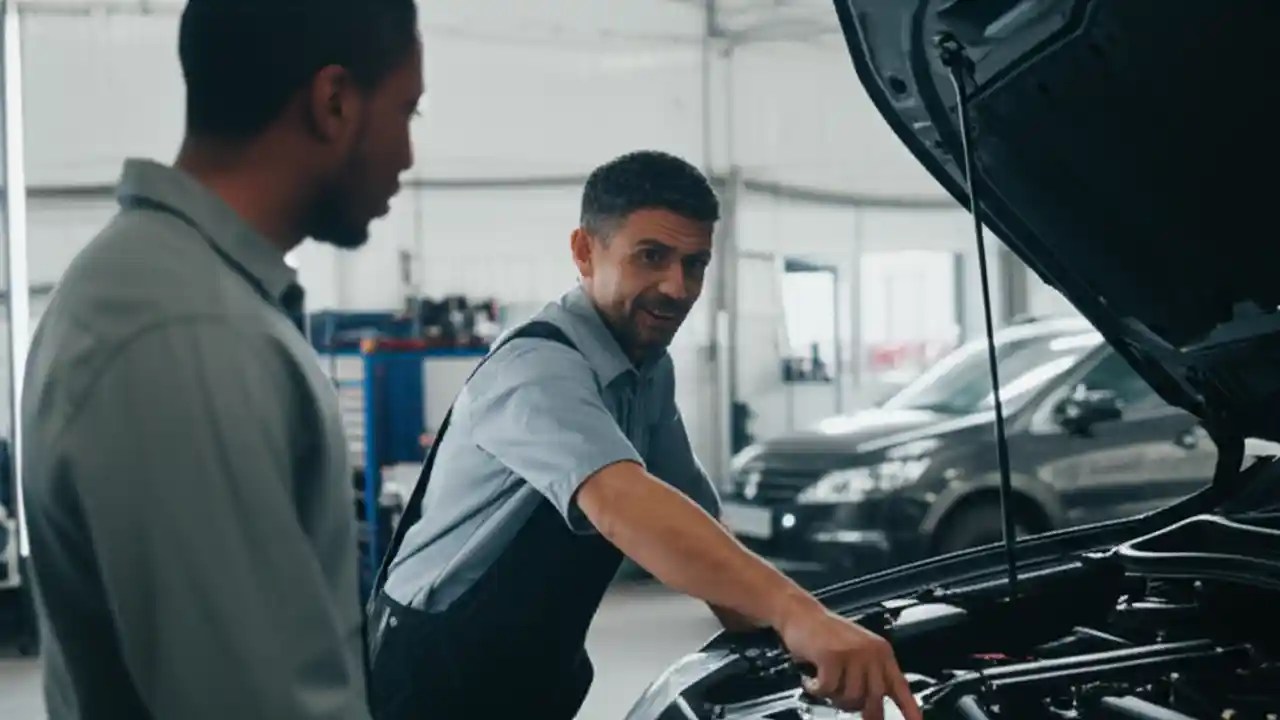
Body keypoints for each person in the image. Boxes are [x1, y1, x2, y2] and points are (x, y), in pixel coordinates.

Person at [367, 150, 922, 720]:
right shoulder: (537, 368)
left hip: (528, 666)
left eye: (695, 264)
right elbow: (622, 504)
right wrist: (794, 613)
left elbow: (693, 522)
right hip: (433, 676)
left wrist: (801, 643)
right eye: (651, 257)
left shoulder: (646, 371)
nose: (676, 287)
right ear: (585, 252)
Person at [20, 1, 422, 718]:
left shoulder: (172, 291)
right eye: (407, 113)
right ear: (333, 103)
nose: (408, 155)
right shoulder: (186, 334)